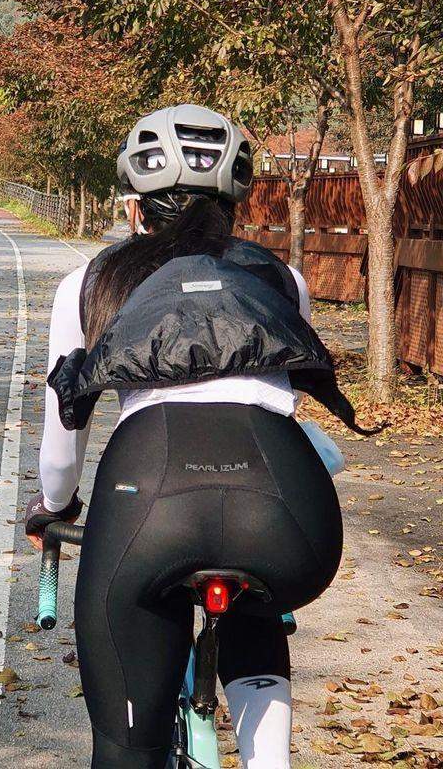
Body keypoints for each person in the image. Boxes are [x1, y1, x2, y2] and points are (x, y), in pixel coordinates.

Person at [26, 105, 365, 769]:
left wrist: (56, 508)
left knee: (128, 747)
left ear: (135, 204)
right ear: (235, 195)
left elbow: (63, 439)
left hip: (148, 501)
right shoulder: (280, 279)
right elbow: (284, 391)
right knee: (252, 592)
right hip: (289, 510)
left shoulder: (89, 284)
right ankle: (271, 761)